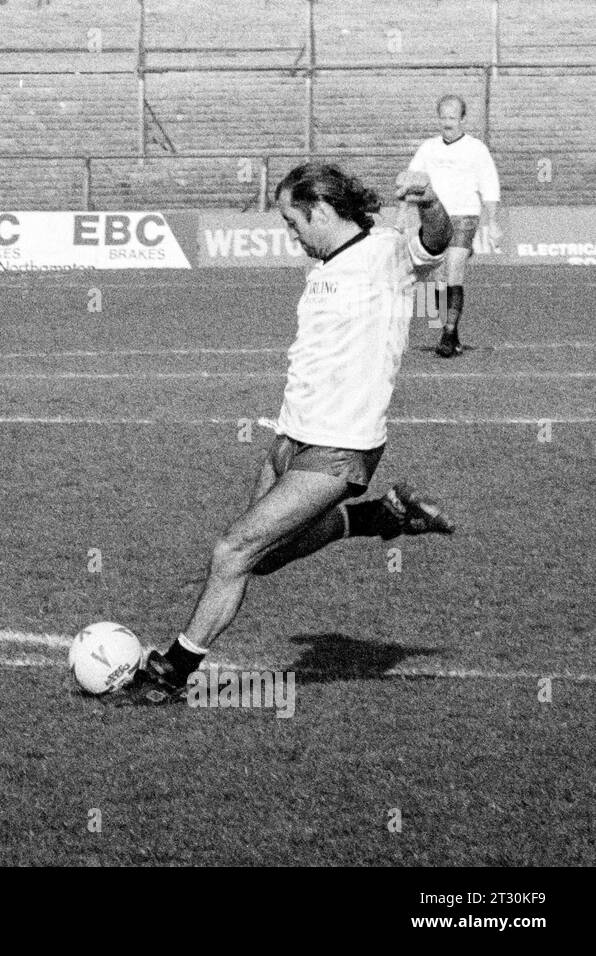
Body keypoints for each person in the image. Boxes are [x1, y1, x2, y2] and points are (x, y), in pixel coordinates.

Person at [117, 163, 457, 706]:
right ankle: (381, 516)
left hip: (341, 446)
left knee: (234, 549)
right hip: (290, 436)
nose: (291, 234)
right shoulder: (325, 265)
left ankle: (169, 673)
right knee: (265, 557)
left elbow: (436, 239)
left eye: (292, 221)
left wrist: (430, 201)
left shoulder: (386, 253)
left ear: (320, 210)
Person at [407, 94, 502, 358]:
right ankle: (452, 332)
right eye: (443, 117)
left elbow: (489, 186)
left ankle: (448, 335)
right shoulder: (428, 148)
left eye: (452, 117)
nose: (447, 123)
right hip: (436, 218)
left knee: (455, 268)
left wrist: (493, 222)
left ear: (462, 119)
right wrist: (404, 214)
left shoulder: (476, 149)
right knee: (438, 279)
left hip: (465, 216)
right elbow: (412, 179)